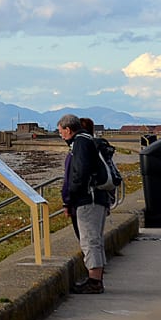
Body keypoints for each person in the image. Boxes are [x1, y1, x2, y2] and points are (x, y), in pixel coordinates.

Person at [58, 113, 111, 294]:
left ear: (68, 129)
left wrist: (70, 199)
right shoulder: (89, 140)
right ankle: (96, 278)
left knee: (89, 240)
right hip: (98, 198)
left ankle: (94, 281)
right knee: (95, 239)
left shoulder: (80, 143)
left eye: (61, 132)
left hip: (89, 199)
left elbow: (78, 175)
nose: (61, 136)